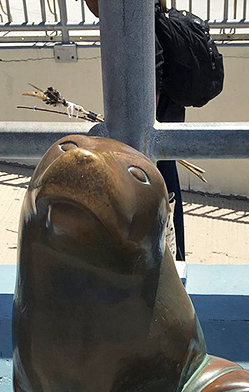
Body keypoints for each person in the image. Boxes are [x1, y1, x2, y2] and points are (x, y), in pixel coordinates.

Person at [84, 0, 187, 260]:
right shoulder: (141, 16)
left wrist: (140, 128)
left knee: (157, 199)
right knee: (167, 192)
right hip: (163, 124)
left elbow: (154, 66)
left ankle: (168, 262)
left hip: (150, 132)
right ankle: (175, 259)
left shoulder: (131, 20)